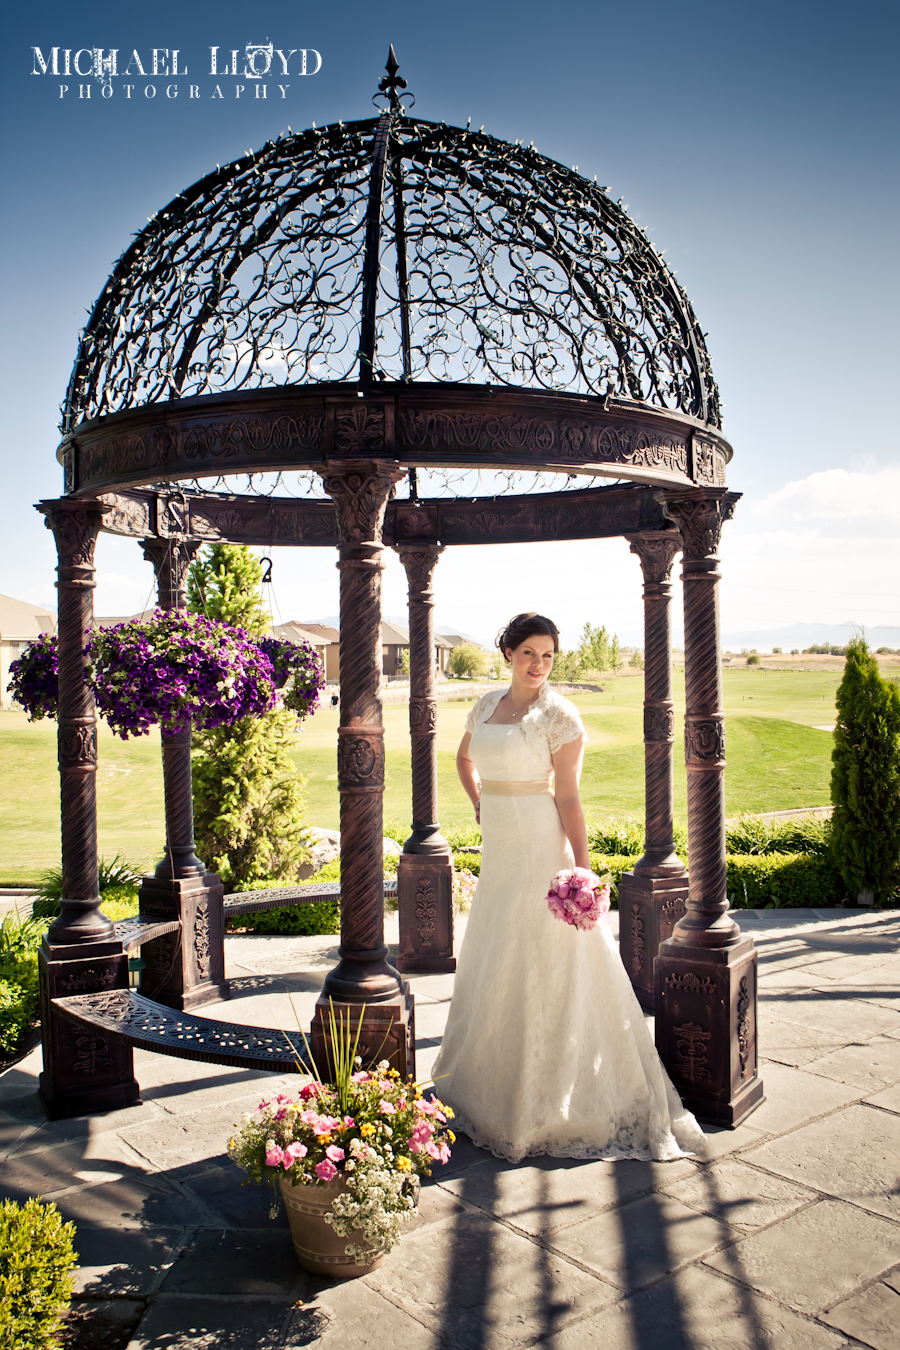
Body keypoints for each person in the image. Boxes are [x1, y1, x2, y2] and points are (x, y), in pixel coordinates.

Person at [432, 612, 705, 1163]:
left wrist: (582, 872)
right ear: (508, 651)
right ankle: (492, 1079)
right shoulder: (484, 705)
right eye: (530, 652)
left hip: (539, 844)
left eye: (549, 655)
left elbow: (570, 799)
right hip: (500, 851)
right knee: (495, 953)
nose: (539, 664)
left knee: (544, 957)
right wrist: (481, 801)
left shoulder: (560, 715)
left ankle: (550, 1089)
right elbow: (464, 758)